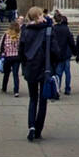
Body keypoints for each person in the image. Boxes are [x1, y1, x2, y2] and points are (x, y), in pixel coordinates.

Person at [20, 8, 58, 141]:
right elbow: (55, 51)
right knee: (43, 100)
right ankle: (38, 129)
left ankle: (31, 126)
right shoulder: (48, 30)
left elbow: (21, 51)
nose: (44, 17)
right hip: (45, 69)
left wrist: (25, 66)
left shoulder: (25, 31)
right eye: (42, 15)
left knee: (32, 99)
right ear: (37, 17)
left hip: (31, 69)